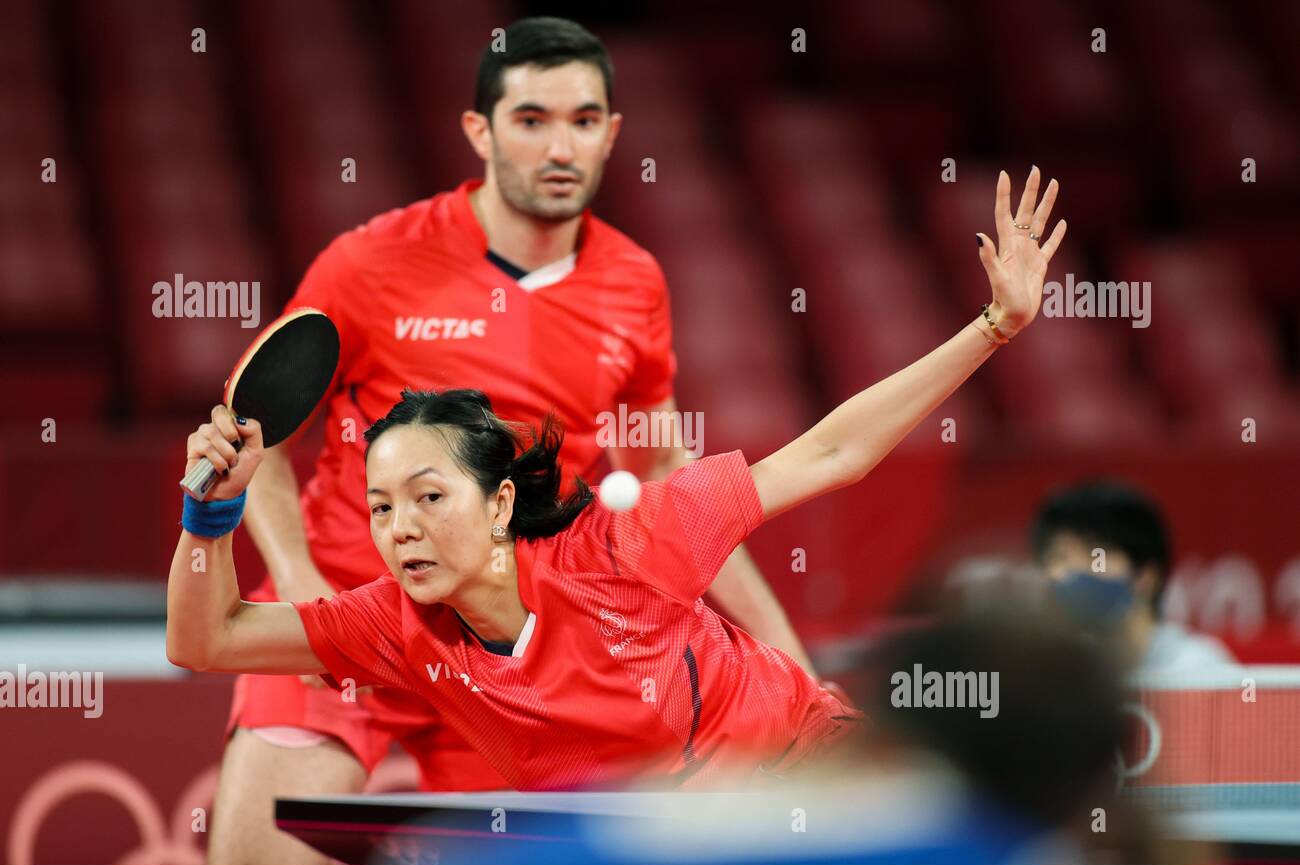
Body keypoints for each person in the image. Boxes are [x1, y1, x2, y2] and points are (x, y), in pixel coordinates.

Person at [168, 167, 1068, 789]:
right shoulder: (400, 629)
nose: (398, 527)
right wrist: (208, 519)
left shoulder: (631, 545)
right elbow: (206, 642)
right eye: (379, 507)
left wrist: (993, 324)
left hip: (812, 787)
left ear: (502, 504)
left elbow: (832, 453)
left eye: (429, 498)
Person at [213, 17, 814, 863]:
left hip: (516, 651)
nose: (558, 145)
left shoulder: (634, 282)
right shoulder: (370, 262)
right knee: (252, 858)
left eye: (581, 119)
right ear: (480, 131)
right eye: (531, 119)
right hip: (351, 608)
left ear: (610, 134)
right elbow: (259, 436)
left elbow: (663, 474)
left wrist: (784, 650)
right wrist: (304, 588)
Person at [1031, 480, 1236, 675]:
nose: (1074, 573)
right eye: (1060, 557)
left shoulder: (1199, 669)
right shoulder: (1046, 673)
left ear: (1146, 576)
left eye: (1096, 554)